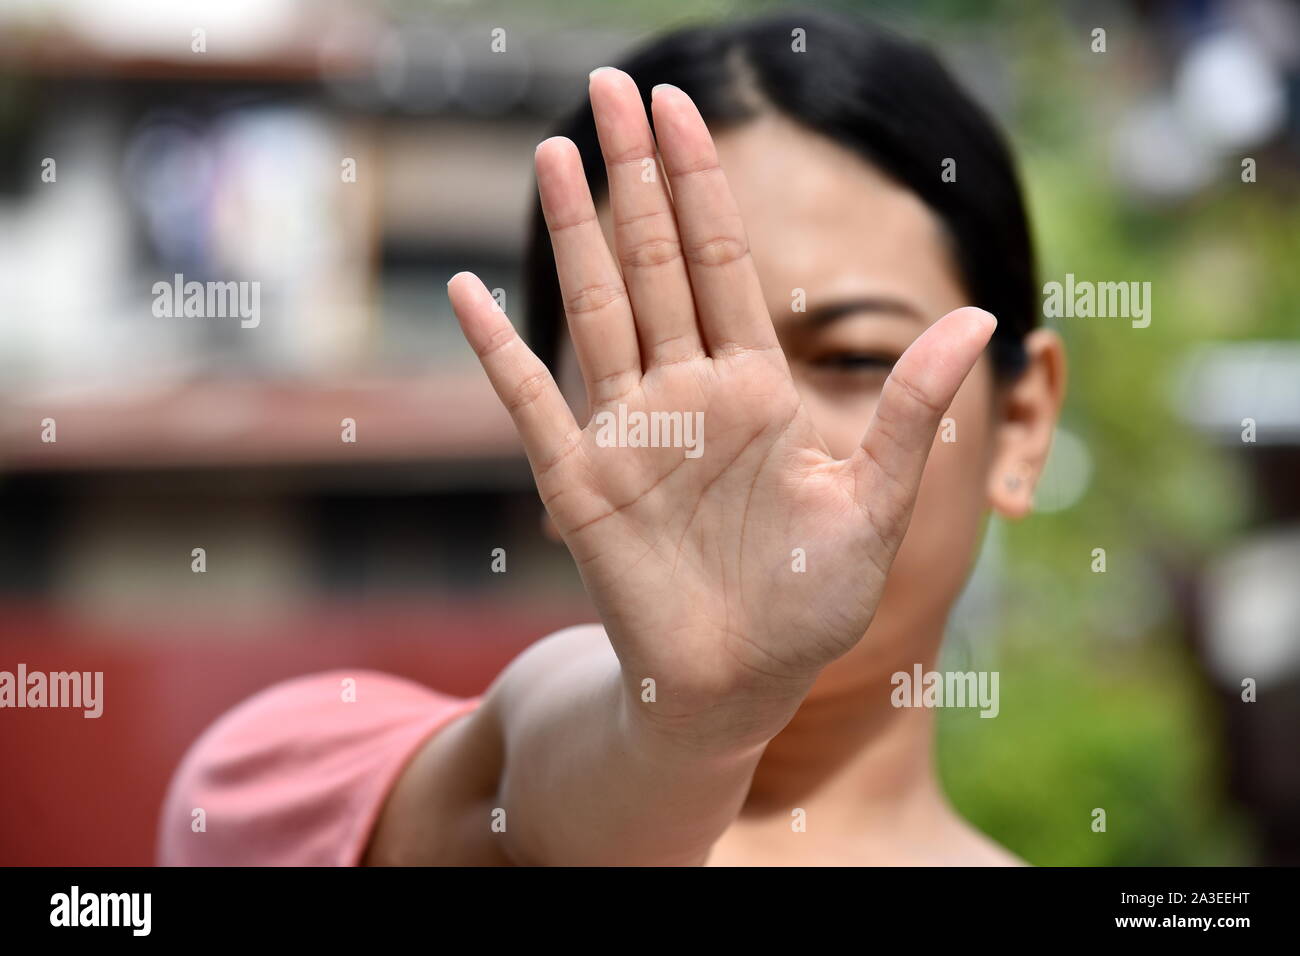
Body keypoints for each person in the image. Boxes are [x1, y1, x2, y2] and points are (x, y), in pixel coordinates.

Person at [158, 9, 1066, 867]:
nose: (759, 431)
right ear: (552, 428)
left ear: (1022, 425)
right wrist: (684, 729)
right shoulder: (295, 788)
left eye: (854, 356)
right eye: (662, 360)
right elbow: (514, 807)